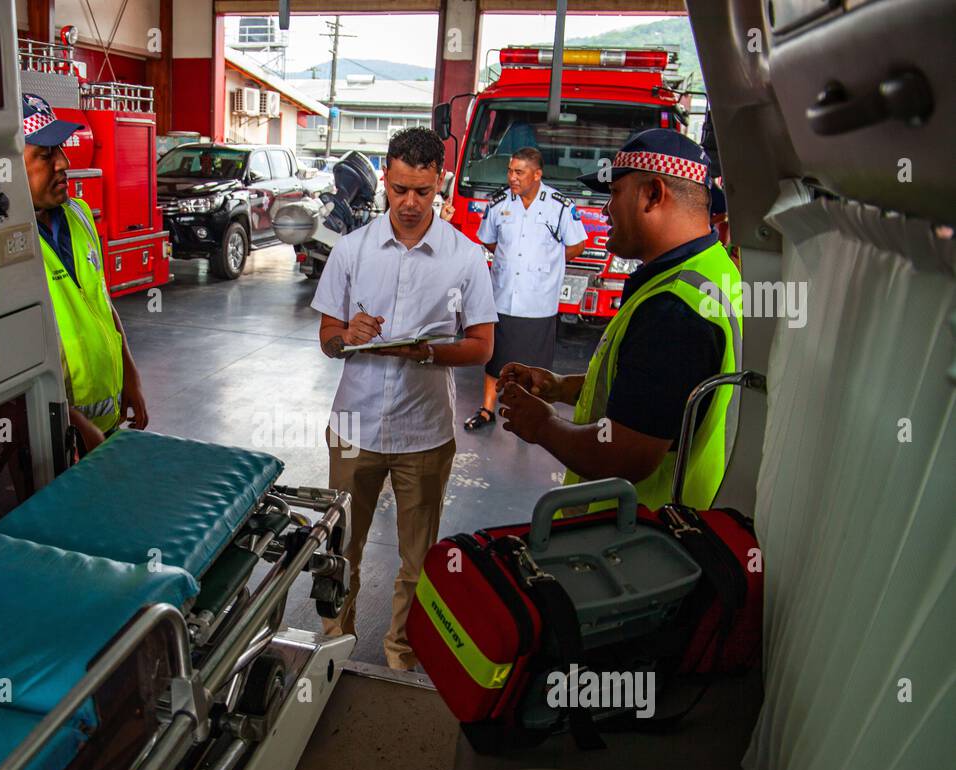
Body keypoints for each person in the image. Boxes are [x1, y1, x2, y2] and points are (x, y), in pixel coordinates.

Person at [313, 127, 497, 670]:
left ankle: (401, 650)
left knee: (417, 558)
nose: (410, 203)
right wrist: (347, 336)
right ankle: (334, 646)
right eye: (398, 190)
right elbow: (327, 338)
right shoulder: (352, 249)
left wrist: (427, 353)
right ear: (385, 182)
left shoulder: (464, 259)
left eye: (421, 191)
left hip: (424, 433)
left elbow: (482, 344)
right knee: (342, 546)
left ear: (440, 181)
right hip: (354, 427)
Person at [496, 128, 743, 513]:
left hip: (632, 537)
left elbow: (625, 456)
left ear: (653, 194)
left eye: (613, 194)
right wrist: (561, 387)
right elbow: (649, 395)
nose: (604, 210)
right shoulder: (712, 272)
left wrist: (543, 425)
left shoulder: (674, 308)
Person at [21, 93, 147, 454]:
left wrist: (130, 374)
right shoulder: (2, 244)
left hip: (102, 423)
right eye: (46, 155)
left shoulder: (78, 214)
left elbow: (101, 303)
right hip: (56, 435)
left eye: (60, 149)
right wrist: (72, 422)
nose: (63, 162)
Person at [465, 147, 587, 432]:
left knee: (536, 364)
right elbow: (488, 240)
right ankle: (487, 410)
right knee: (496, 357)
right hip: (503, 294)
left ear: (537, 174)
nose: (512, 177)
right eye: (510, 171)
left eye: (519, 172)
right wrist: (509, 256)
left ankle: (532, 414)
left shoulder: (558, 206)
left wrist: (548, 263)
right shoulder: (498, 204)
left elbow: (577, 244)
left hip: (539, 298)